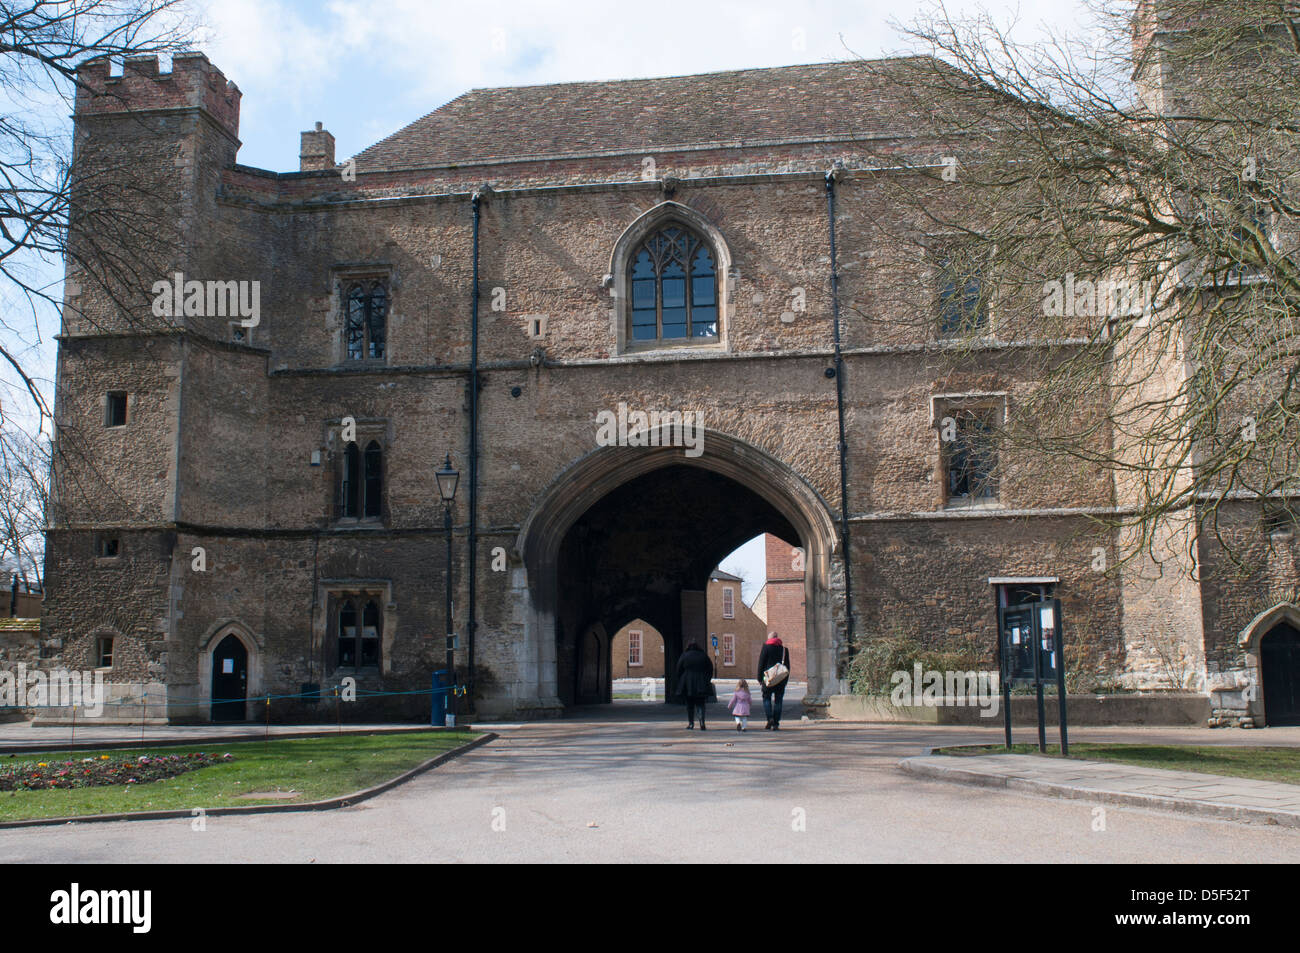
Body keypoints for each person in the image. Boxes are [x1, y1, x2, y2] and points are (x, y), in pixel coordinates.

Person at [676, 640, 714, 730]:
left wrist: (682, 679)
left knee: (690, 704)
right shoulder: (703, 656)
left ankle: (691, 724)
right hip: (701, 681)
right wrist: (706, 679)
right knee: (701, 704)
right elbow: (710, 669)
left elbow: (678, 669)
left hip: (688, 682)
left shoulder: (685, 655)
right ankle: (702, 723)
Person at [756, 631, 791, 730]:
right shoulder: (784, 650)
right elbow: (788, 667)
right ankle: (776, 723)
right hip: (780, 680)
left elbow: (761, 664)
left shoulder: (766, 647)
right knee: (778, 701)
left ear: (769, 639)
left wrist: (759, 678)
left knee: (766, 698)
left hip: (768, 679)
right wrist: (785, 680)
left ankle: (769, 718)